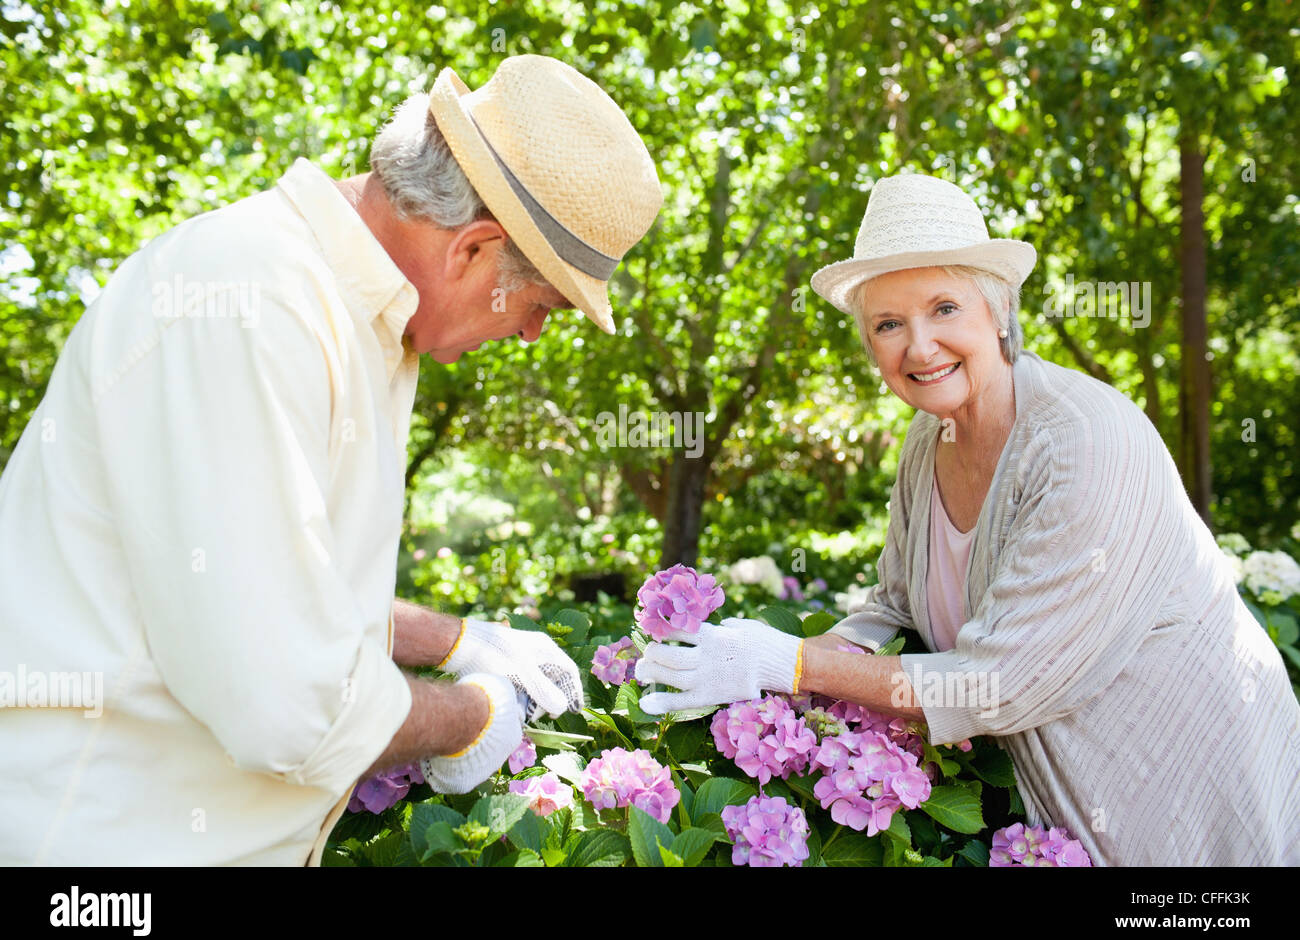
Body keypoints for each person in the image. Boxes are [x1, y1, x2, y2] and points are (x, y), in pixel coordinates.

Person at [0, 55, 663, 865]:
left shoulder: (359, 321)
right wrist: (471, 716)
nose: (529, 336)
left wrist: (455, 639)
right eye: (541, 307)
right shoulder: (252, 303)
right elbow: (283, 702)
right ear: (474, 250)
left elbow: (267, 584)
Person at [636, 172, 1300, 865]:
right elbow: (892, 607)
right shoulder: (930, 441)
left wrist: (796, 662)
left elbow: (1000, 684)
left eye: (944, 308)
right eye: (888, 324)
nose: (918, 347)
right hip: (1058, 817)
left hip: (1185, 799)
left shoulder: (1085, 441)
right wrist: (762, 674)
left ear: (1000, 310)